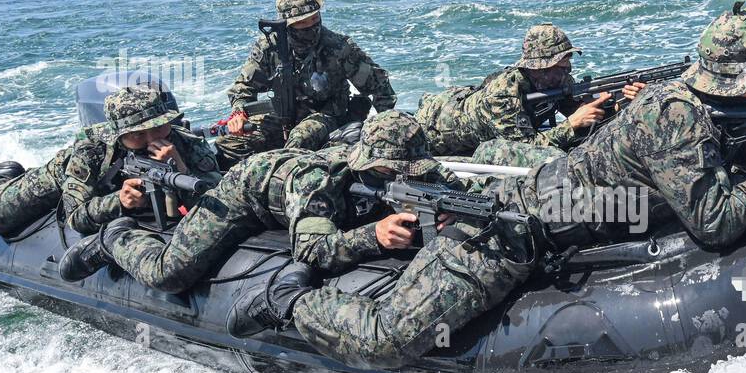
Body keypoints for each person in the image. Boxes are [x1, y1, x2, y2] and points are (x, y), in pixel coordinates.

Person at [228, 3, 746, 369]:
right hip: (502, 235)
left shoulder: (714, 109)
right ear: (741, 82)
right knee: (386, 339)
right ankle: (288, 301)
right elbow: (716, 221)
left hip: (564, 219)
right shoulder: (676, 114)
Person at [58, 112, 455, 292]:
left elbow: (451, 186)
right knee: (170, 275)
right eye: (393, 171)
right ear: (368, 164)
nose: (406, 177)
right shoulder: (317, 183)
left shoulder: (408, 169)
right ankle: (115, 239)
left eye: (412, 170)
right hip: (247, 193)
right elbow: (311, 250)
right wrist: (375, 236)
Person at [216, 0, 396, 165]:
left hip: (327, 116)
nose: (311, 25)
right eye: (302, 23)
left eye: (315, 18)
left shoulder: (338, 47)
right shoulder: (269, 48)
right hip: (282, 116)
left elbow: (380, 86)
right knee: (230, 144)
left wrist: (381, 129)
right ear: (286, 24)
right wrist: (238, 112)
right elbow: (243, 87)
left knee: (299, 139)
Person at [414, 23, 612, 158]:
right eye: (561, 67)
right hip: (433, 131)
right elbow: (525, 148)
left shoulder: (555, 79)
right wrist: (572, 124)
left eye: (568, 66)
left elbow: (581, 110)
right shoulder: (502, 97)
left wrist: (617, 103)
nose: (567, 73)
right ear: (539, 67)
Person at [57, 86, 220, 236]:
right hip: (58, 172)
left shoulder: (187, 142)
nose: (152, 139)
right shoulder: (93, 151)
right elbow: (74, 217)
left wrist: (182, 169)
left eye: (158, 127)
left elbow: (220, 202)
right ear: (119, 137)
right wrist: (117, 201)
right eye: (138, 134)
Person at [0, 121, 110, 238]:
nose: (135, 134)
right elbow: (77, 215)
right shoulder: (90, 145)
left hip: (95, 185)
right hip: (50, 184)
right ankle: (1, 175)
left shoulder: (131, 150)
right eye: (132, 132)